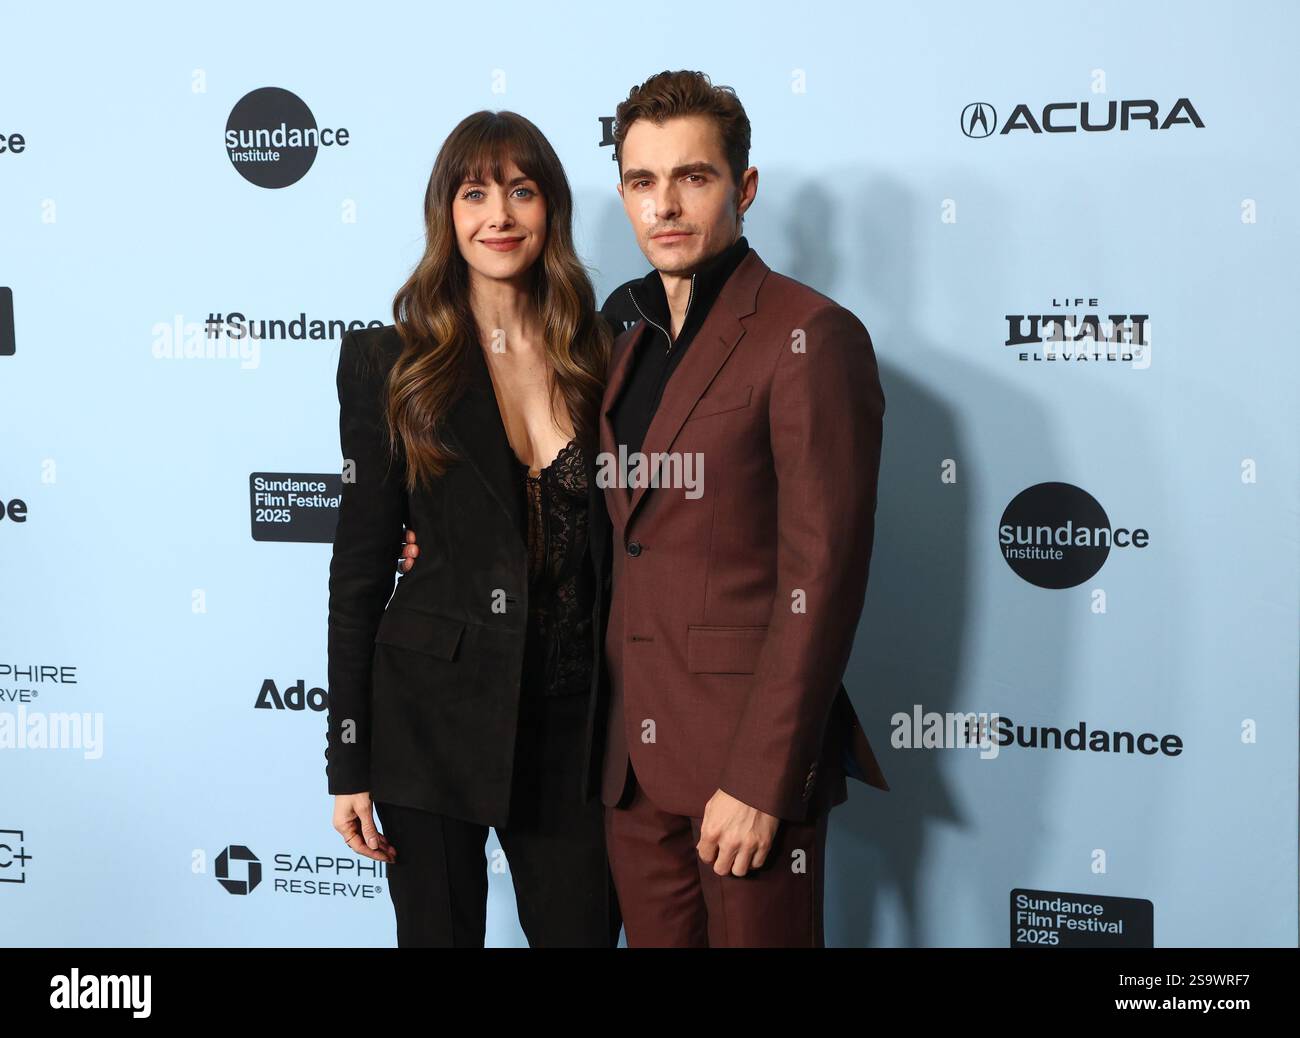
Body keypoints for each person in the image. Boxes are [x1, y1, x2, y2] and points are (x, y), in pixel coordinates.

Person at [403, 70, 891, 947]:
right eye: (642, 181)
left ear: (743, 187)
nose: (665, 205)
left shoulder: (809, 336)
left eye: (693, 177)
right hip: (625, 771)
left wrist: (763, 781)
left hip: (743, 774)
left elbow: (823, 581)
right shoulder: (622, 342)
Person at [326, 109, 620, 947]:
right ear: (446, 213)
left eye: (521, 192)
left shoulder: (601, 353)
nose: (499, 216)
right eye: (475, 193)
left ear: (550, 210)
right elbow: (359, 574)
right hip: (431, 720)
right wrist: (347, 761)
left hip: (572, 724)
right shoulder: (393, 360)